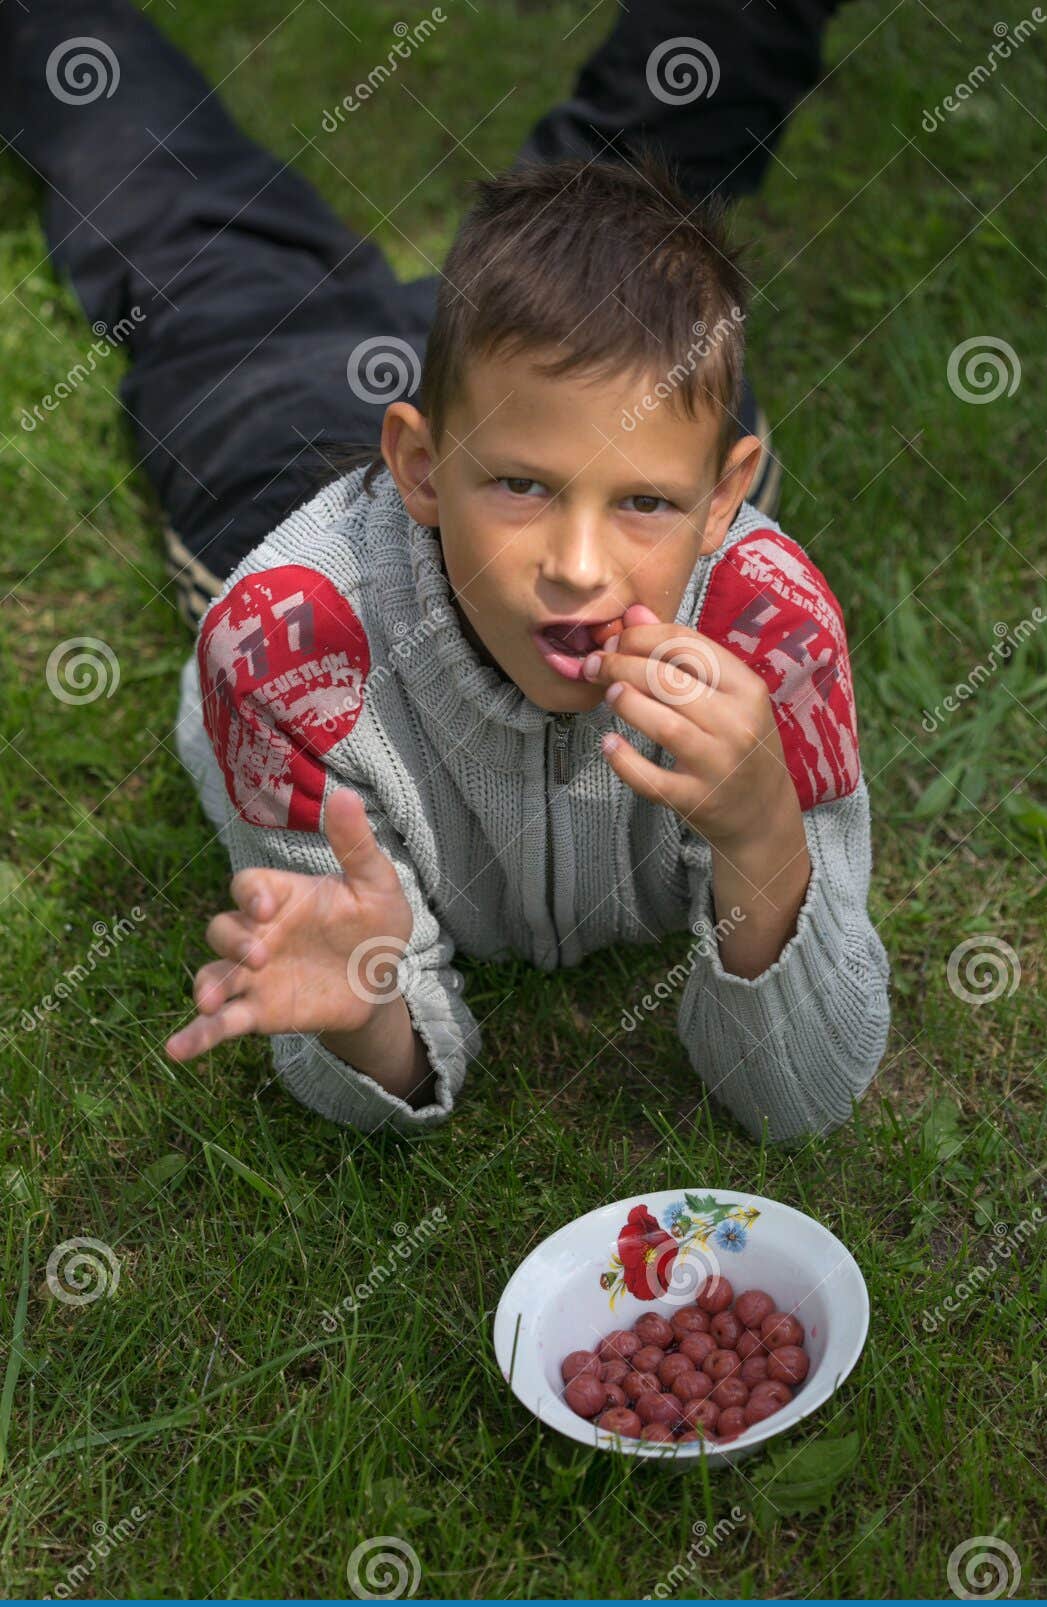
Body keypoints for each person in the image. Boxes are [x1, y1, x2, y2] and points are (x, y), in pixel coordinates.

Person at [4, 0, 887, 1141]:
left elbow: (803, 1096)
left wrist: (766, 835)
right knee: (193, 247)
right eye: (526, 492)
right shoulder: (288, 651)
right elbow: (387, 1021)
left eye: (647, 505)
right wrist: (364, 1015)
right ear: (418, 463)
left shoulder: (772, 634)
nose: (576, 570)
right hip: (282, 445)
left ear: (723, 498)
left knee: (623, 199)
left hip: (549, 398)